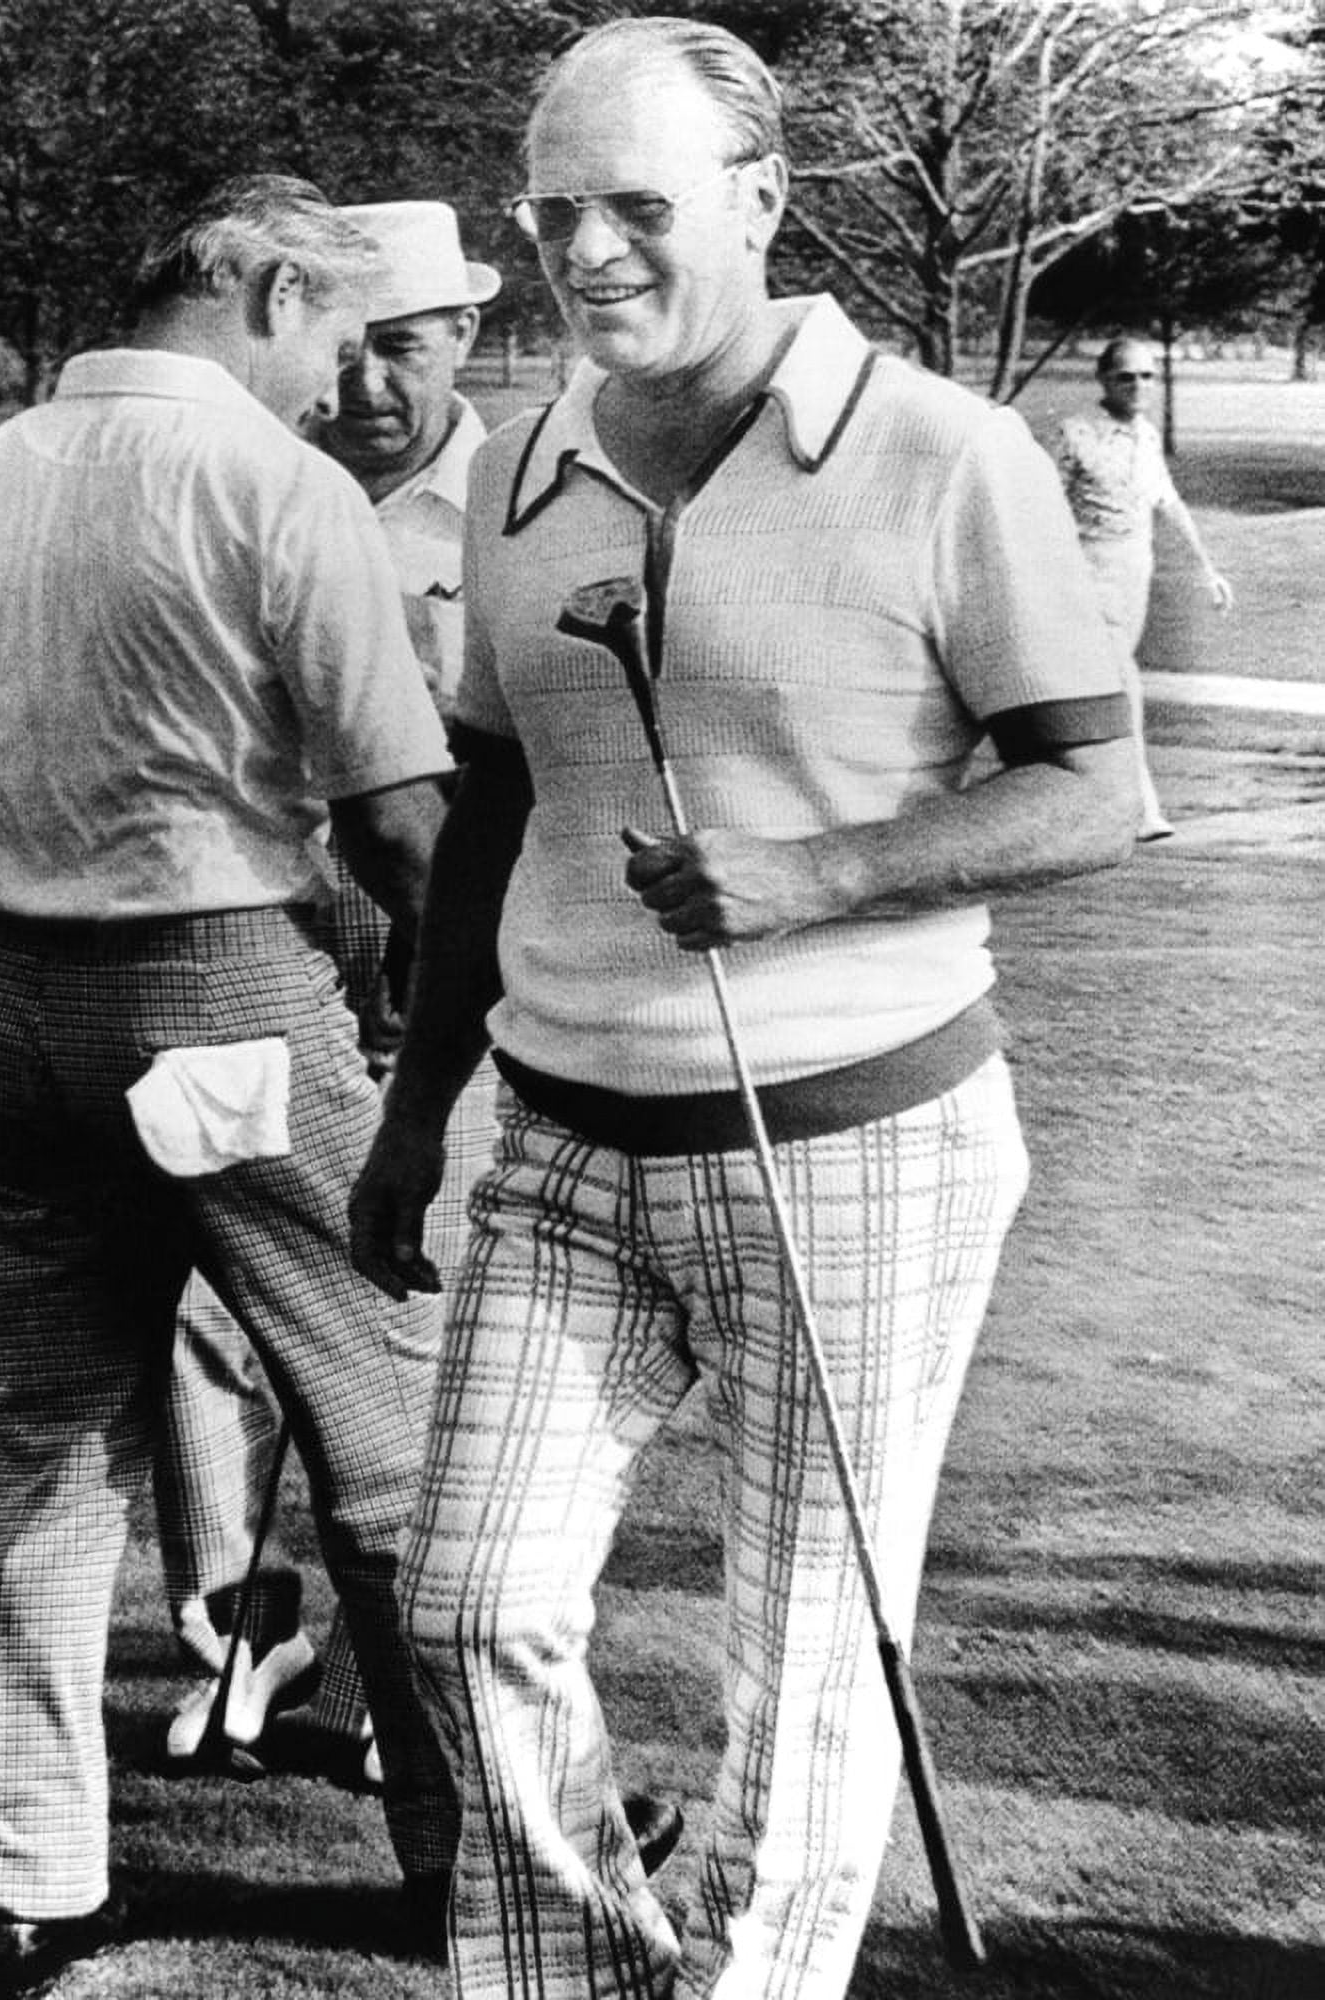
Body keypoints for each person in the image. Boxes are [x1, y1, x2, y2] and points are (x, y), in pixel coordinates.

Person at [350, 17, 1139, 2000]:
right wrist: (406, 1109)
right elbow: (495, 813)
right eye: (553, 215)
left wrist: (810, 875)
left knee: (796, 1662)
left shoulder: (941, 457)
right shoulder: (519, 461)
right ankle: (573, 1971)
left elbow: (1094, 789)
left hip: (849, 1131)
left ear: (761, 201)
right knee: (461, 1599)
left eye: (637, 206)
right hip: (555, 1137)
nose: (586, 254)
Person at [0, 175, 461, 1997]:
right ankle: (470, 1858)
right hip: (220, 991)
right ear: (254, 289)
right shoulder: (277, 486)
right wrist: (477, 1009)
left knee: (41, 1447)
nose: (341, 382)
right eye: (330, 333)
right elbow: (403, 824)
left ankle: (33, 1878)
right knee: (393, 1437)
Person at [154, 198, 504, 1793]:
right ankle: (238, 1627)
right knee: (213, 1325)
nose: (363, 384)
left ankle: (401, 1686)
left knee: (425, 1309)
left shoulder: (517, 497)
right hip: (265, 947)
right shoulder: (229, 480)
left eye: (405, 348)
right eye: (344, 348)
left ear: (465, 340)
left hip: (454, 955)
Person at [1057, 335, 1234, 841]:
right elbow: (1042, 508)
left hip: (1136, 573)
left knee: (1104, 686)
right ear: (1104, 380)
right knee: (1123, 682)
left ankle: (1092, 799)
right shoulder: (1075, 434)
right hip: (1088, 574)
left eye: (1146, 376)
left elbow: (1168, 502)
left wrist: (1207, 568)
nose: (1137, 386)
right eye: (1125, 376)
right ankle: (1142, 807)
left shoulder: (1148, 437)